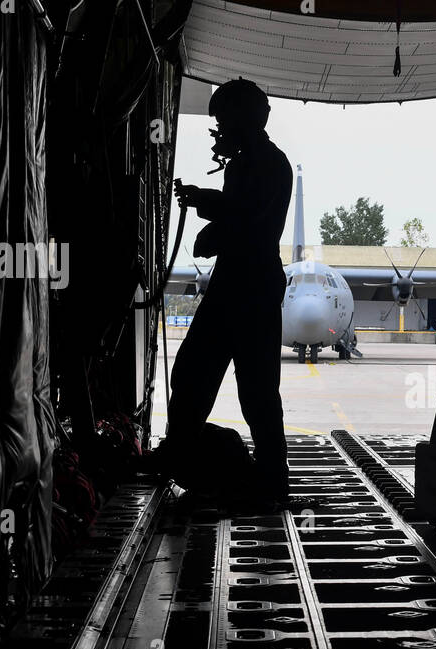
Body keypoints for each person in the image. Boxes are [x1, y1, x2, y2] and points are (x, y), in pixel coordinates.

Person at [161, 79, 293, 506]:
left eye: (223, 120)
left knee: (250, 387)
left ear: (244, 119)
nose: (220, 130)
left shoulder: (266, 163)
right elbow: (243, 219)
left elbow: (248, 218)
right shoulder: (251, 163)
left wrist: (206, 204)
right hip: (238, 284)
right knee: (200, 374)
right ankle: (181, 454)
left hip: (249, 287)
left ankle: (272, 479)